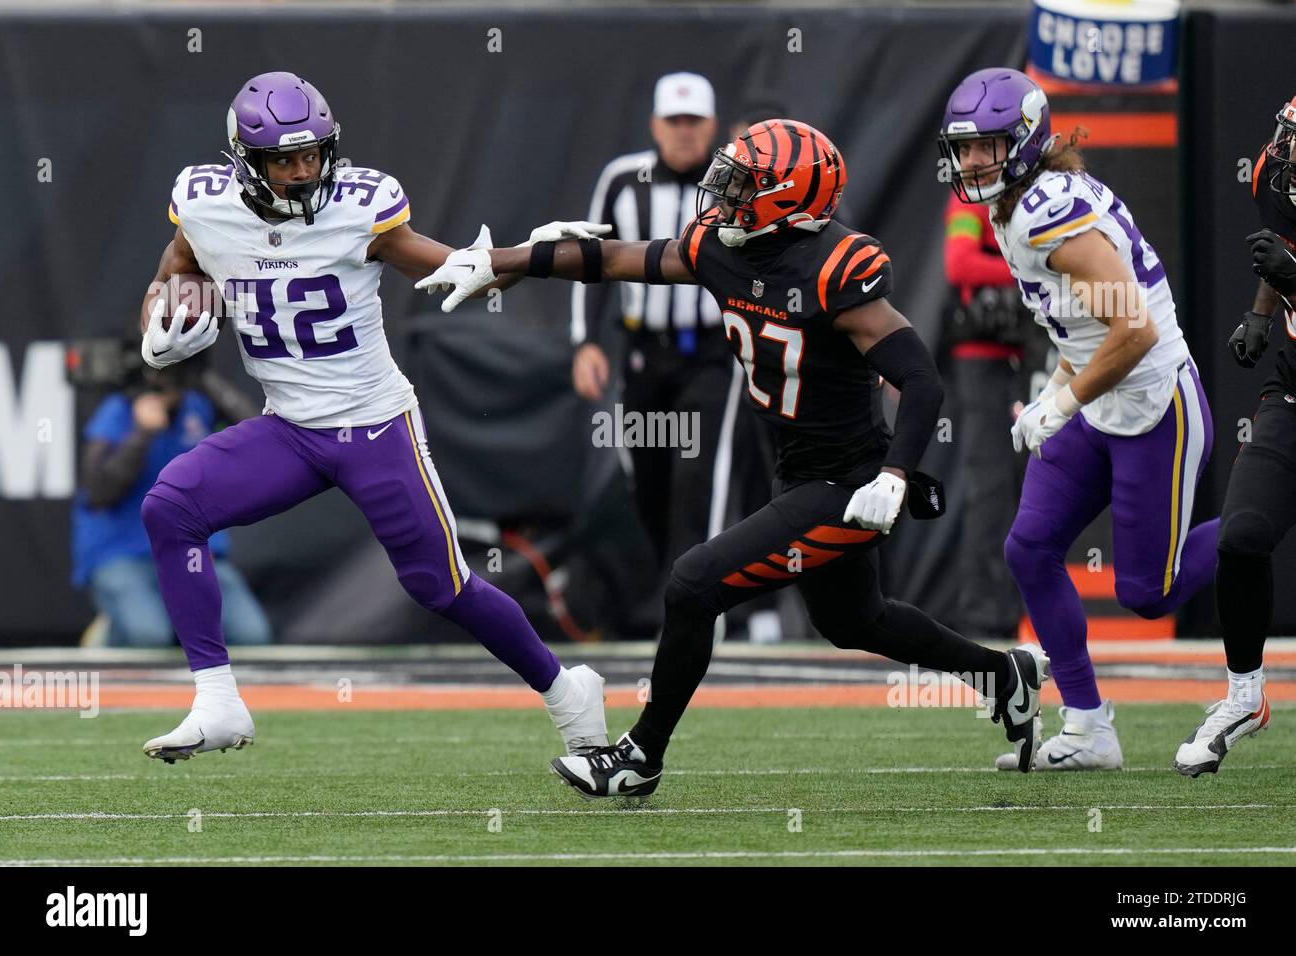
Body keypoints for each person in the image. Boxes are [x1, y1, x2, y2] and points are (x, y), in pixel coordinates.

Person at [420, 118, 1052, 796]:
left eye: (743, 182)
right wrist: (504, 261)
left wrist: (894, 476)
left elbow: (921, 379)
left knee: (694, 583)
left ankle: (640, 756)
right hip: (796, 468)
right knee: (852, 620)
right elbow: (611, 258)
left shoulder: (837, 268)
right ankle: (1002, 675)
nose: (722, 192)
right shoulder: (721, 248)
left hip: (848, 479)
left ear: (789, 197)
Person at [136, 70, 608, 763]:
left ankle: (569, 694)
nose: (303, 170)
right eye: (285, 159)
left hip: (374, 427)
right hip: (290, 428)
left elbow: (458, 274)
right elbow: (177, 264)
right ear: (246, 162)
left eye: (313, 154)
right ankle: (217, 701)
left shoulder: (362, 210)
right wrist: (160, 315)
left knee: (439, 585)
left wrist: (529, 259)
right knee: (170, 507)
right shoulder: (203, 203)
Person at [938, 67, 1219, 771]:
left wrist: (1062, 401)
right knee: (1028, 548)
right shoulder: (1015, 202)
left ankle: (1256, 524)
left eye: (988, 147)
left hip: (1155, 400)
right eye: (965, 149)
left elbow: (1134, 331)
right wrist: (1057, 386)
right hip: (1101, 389)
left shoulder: (1039, 208)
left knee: (1146, 594)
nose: (973, 162)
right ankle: (1089, 725)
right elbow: (1084, 328)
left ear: (1025, 139)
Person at [570, 73, 741, 589]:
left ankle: (695, 602)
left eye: (694, 121)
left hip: (712, 354)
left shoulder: (735, 183)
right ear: (655, 125)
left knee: (697, 475)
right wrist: (585, 342)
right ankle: (676, 587)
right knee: (647, 481)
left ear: (711, 126)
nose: (684, 132)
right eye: (674, 121)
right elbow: (590, 260)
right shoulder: (624, 180)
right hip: (644, 353)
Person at [1174, 95, 1296, 775]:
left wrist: (1292, 278)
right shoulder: (1275, 179)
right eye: (1288, 139)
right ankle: (1245, 695)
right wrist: (1262, 311)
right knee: (1242, 534)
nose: (1284, 153)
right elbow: (1284, 254)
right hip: (1294, 387)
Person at [73, 358, 270, 648]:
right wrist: (141, 434)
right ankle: (109, 635)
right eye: (160, 369)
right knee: (148, 635)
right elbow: (99, 493)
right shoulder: (119, 410)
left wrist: (204, 378)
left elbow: (263, 445)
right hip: (124, 553)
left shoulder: (199, 405)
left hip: (194, 554)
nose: (166, 381)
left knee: (252, 635)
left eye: (176, 370)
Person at [942, 191, 1033, 640]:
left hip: (1027, 354)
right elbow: (958, 264)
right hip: (980, 357)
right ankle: (981, 615)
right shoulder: (967, 205)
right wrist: (1027, 271)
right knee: (991, 486)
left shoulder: (1029, 203)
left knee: (1023, 485)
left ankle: (1011, 612)